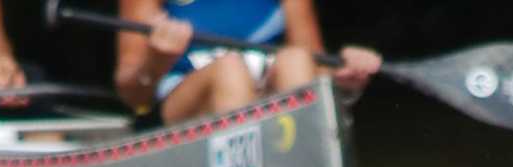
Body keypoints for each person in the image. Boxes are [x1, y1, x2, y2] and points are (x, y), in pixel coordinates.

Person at [111, 0, 379, 124]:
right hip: (184, 104)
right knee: (230, 71)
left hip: (265, 92)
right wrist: (156, 60)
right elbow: (133, 95)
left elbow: (316, 68)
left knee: (296, 60)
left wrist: (345, 78)